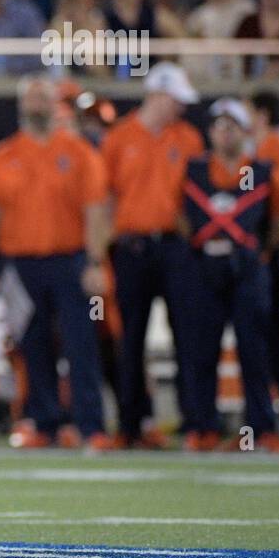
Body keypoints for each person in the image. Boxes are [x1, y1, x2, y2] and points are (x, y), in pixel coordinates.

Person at [0, 76, 112, 450]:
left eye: (43, 97)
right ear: (22, 104)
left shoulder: (79, 152)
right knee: (31, 347)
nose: (37, 103)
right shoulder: (4, 155)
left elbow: (95, 211)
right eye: (32, 97)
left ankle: (91, 427)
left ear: (55, 104)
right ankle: (44, 422)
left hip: (70, 260)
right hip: (21, 265)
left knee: (80, 345)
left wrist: (96, 261)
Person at [178, 99, 279, 453]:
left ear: (244, 131)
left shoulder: (261, 170)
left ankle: (258, 429)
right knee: (201, 349)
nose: (224, 133)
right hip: (206, 266)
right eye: (219, 126)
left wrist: (258, 251)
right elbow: (178, 214)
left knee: (253, 350)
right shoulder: (194, 169)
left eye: (232, 126)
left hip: (247, 267)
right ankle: (203, 427)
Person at [101, 62, 204, 448]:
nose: (181, 108)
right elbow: (105, 199)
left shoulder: (189, 138)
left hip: (177, 248)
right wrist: (100, 253)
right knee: (130, 338)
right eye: (176, 100)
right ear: (159, 95)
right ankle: (132, 425)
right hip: (130, 248)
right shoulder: (119, 137)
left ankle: (195, 423)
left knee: (188, 335)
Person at [247, 90, 279, 450]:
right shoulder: (263, 150)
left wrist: (266, 250)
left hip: (272, 255)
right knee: (264, 339)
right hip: (263, 254)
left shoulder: (276, 152)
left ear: (261, 114)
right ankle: (268, 426)